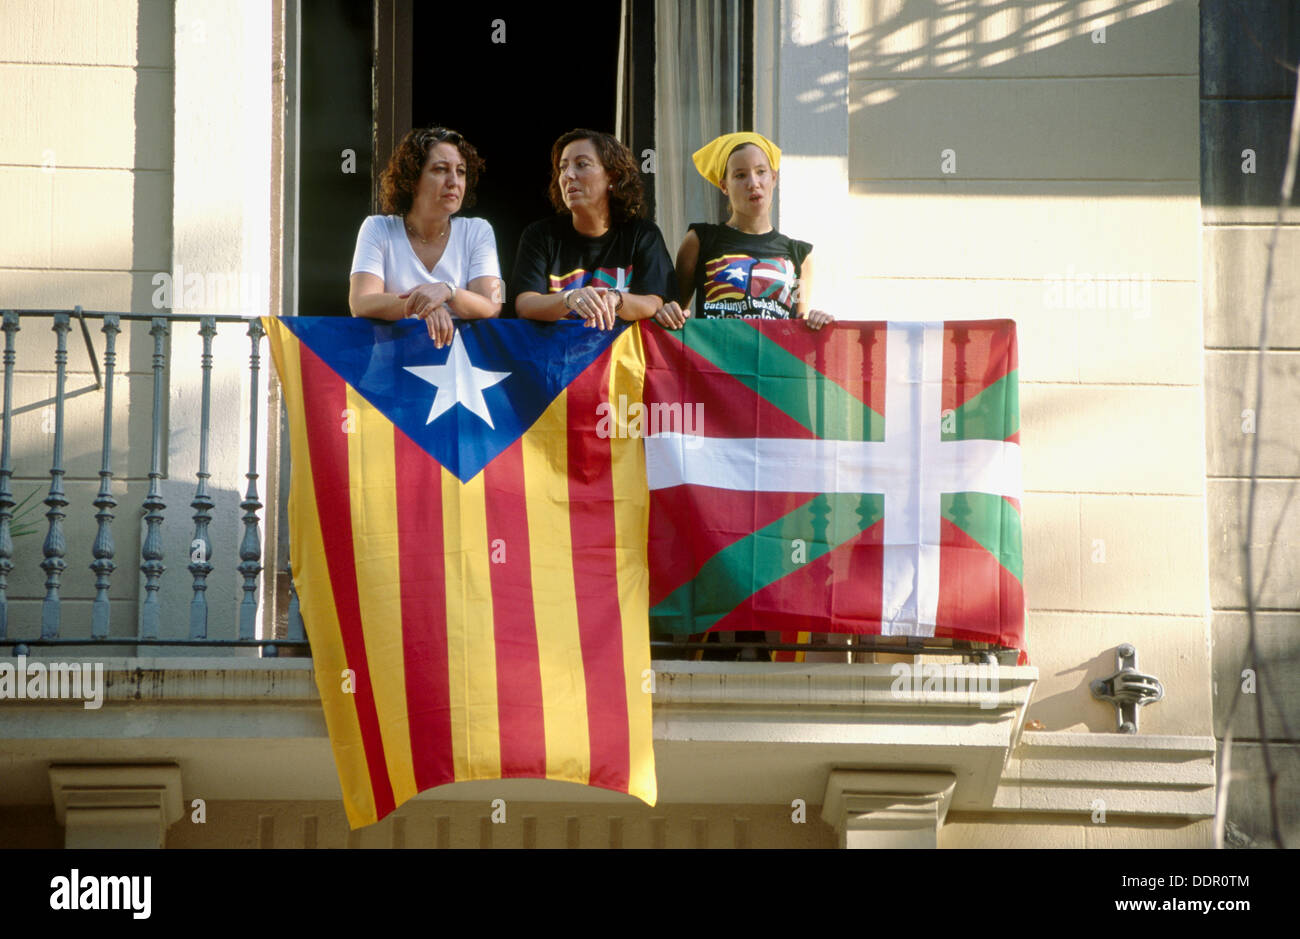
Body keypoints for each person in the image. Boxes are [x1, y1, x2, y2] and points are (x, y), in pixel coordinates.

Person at [653, 131, 834, 331]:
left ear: (773, 178)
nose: (753, 183)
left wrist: (816, 321)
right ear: (724, 186)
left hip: (771, 362)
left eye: (761, 172)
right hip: (713, 361)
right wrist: (667, 311)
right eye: (740, 175)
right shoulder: (700, 240)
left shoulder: (800, 255)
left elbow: (799, 327)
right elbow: (674, 319)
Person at [349, 126, 502, 348]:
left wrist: (447, 292)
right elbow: (360, 302)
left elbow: (493, 305)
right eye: (441, 169)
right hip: (390, 371)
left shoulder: (479, 230)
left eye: (460, 171)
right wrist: (424, 304)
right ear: (412, 178)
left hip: (461, 375)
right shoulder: (377, 228)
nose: (454, 181)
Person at [513, 129, 675, 329]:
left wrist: (616, 299)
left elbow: (654, 302)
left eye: (581, 165)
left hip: (622, 358)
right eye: (563, 168)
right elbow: (525, 304)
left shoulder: (643, 234)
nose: (568, 175)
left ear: (613, 178)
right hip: (557, 357)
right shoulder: (540, 235)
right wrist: (570, 298)